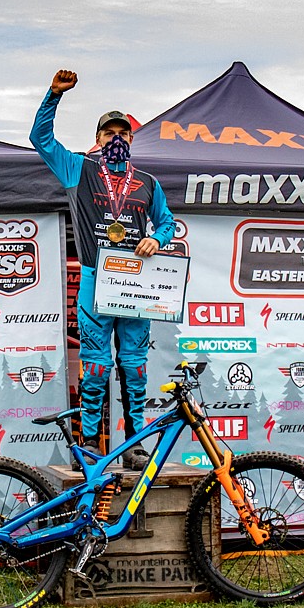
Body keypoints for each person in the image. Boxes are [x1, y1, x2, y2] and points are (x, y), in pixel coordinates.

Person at [31, 70, 176, 459]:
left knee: (135, 367)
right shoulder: (79, 169)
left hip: (136, 284)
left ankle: (133, 444)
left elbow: (167, 223)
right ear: (98, 139)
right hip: (97, 280)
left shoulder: (147, 182)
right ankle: (92, 442)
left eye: (123, 133)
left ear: (131, 139)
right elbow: (41, 140)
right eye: (109, 134)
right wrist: (53, 95)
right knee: (95, 368)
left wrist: (157, 239)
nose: (116, 139)